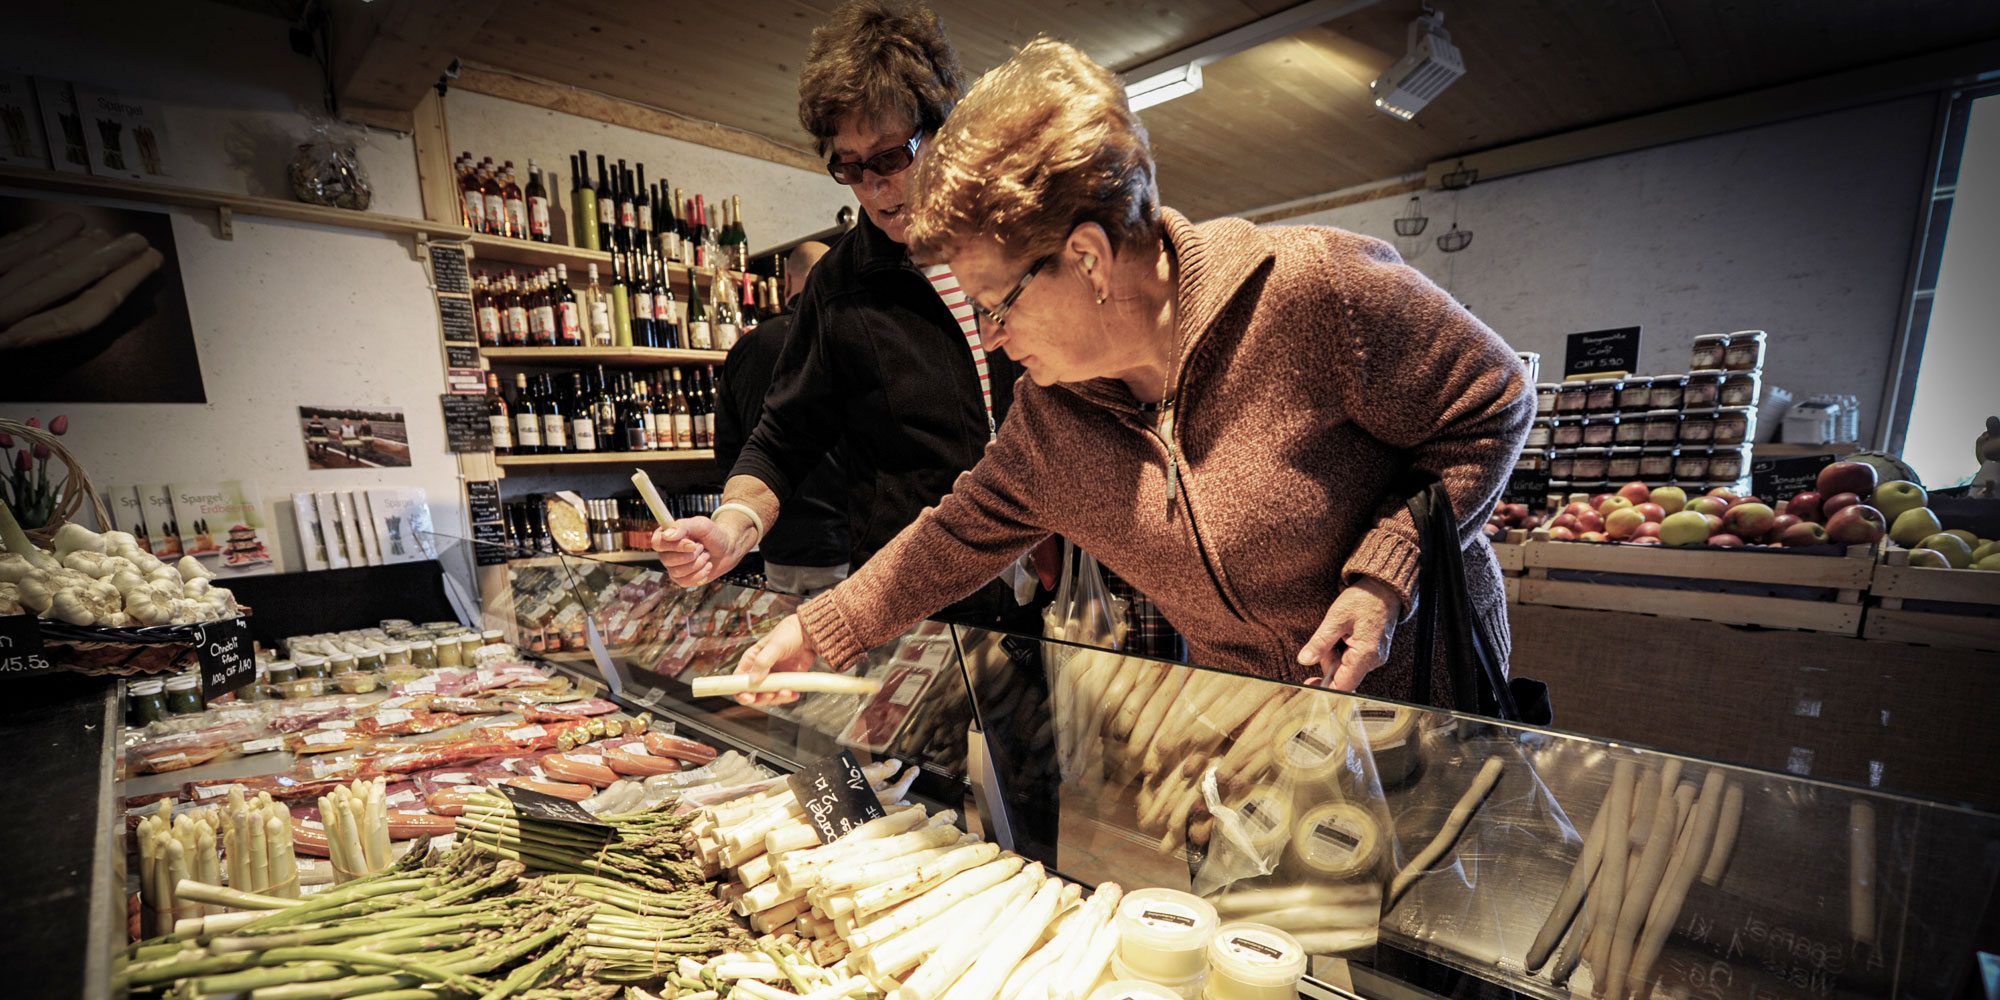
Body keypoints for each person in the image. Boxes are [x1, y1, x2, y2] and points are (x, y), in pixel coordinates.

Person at [730, 39, 1532, 706]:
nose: (995, 339)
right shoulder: (1053, 417)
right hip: (1265, 727)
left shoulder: (1313, 291)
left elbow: (1491, 404)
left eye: (997, 304)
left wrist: (1384, 576)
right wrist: (818, 629)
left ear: (1087, 258)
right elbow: (954, 536)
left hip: (1432, 711)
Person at [652, 0, 1040, 630]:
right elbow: (782, 439)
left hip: (1058, 595)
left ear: (944, 131)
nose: (874, 187)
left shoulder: (1022, 236)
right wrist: (731, 528)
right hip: (918, 612)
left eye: (890, 157)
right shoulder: (839, 286)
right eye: (849, 168)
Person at [713, 241, 851, 597]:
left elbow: (728, 451)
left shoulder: (746, 347)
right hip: (842, 545)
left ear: (787, 282)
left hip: (773, 543)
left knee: (785, 631)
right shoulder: (844, 337)